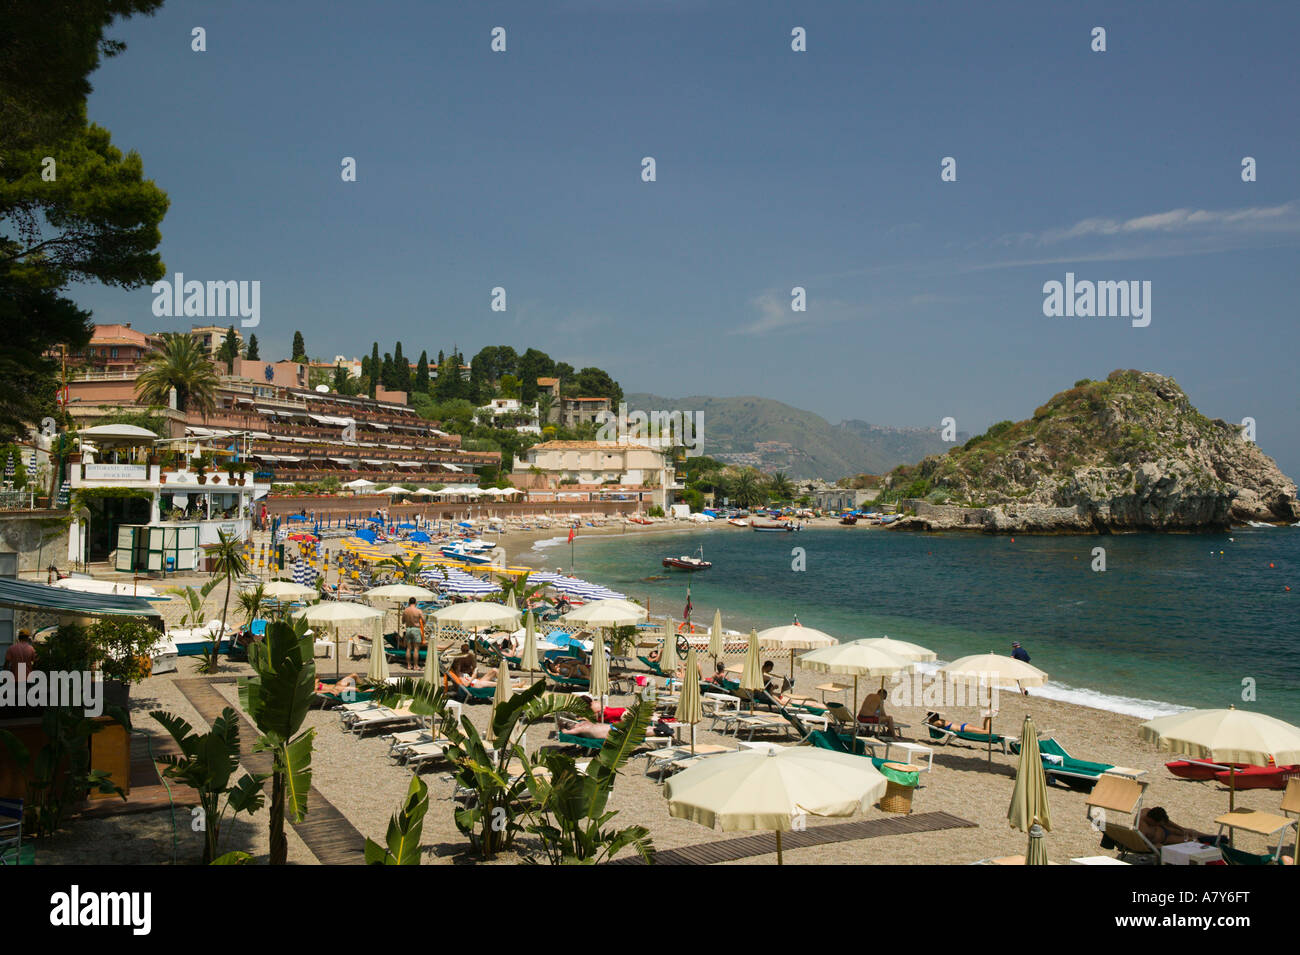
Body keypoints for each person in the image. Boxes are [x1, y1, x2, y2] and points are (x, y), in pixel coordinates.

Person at [1138, 807, 1217, 847]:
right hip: (1166, 840)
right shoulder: (1142, 827)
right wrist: (1155, 846)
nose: (1157, 825)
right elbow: (1141, 845)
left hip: (1165, 829)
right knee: (1191, 840)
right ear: (1151, 820)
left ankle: (1212, 837)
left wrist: (1180, 828)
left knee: (1187, 832)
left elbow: (1166, 822)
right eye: (1157, 824)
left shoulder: (1146, 811)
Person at [926, 711, 995, 735]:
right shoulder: (940, 720)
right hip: (963, 726)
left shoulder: (937, 722)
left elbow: (931, 724)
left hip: (962, 729)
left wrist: (929, 721)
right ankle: (988, 717)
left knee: (986, 732)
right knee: (984, 730)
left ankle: (987, 716)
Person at [400, 597, 424, 669]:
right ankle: (416, 666)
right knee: (416, 648)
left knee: (408, 648)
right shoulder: (418, 611)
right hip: (416, 629)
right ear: (415, 602)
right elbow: (423, 620)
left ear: (409, 602)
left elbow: (403, 621)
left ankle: (408, 665)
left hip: (408, 629)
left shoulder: (405, 611)